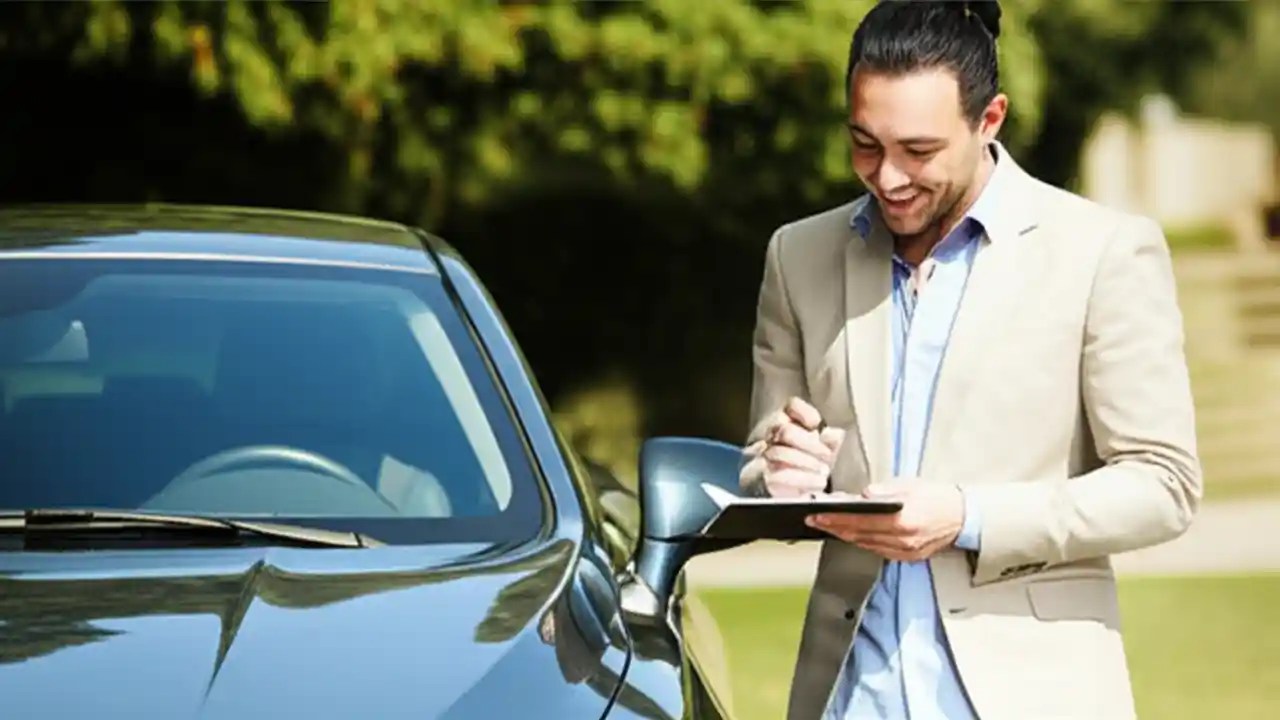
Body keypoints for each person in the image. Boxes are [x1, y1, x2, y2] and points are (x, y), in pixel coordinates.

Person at [737, 1, 1201, 719]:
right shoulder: (797, 256)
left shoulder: (1102, 252)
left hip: (1031, 695)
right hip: (850, 697)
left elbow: (1163, 484)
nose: (886, 177)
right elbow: (762, 459)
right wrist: (779, 472)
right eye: (864, 143)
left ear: (990, 121)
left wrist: (969, 517)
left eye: (917, 152)